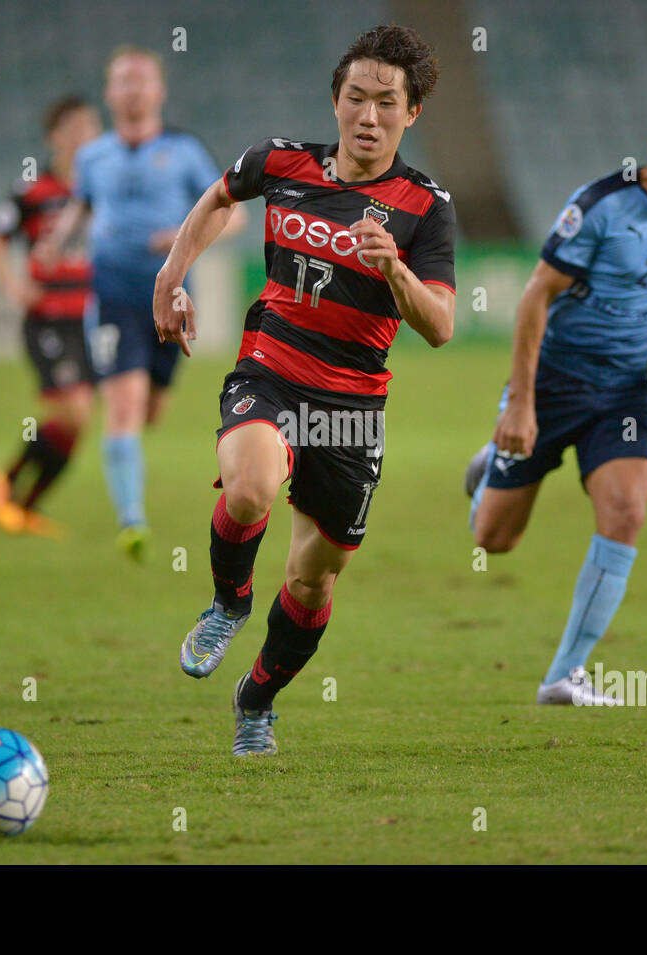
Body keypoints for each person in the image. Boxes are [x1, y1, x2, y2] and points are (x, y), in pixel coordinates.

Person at [154, 25, 457, 755]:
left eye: (387, 103)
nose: (368, 116)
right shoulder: (283, 161)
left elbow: (441, 324)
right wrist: (172, 273)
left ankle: (256, 697)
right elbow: (223, 196)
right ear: (335, 99)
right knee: (250, 486)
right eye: (356, 98)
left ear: (411, 113)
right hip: (271, 368)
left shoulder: (424, 207)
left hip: (352, 408)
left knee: (315, 579)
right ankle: (229, 602)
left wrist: (394, 270)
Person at [464, 95, 647, 706]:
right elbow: (536, 295)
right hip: (552, 383)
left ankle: (564, 675)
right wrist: (521, 403)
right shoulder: (601, 206)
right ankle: (488, 464)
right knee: (493, 540)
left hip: (623, 392)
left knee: (627, 512)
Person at [38, 46, 244, 559]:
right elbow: (81, 210)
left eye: (141, 80)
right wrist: (55, 245)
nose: (131, 90)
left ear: (159, 91)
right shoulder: (92, 157)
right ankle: (132, 520)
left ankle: (130, 480)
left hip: (171, 301)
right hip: (110, 297)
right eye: (122, 81)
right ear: (110, 94)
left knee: (151, 409)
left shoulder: (185, 151)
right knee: (123, 408)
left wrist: (182, 236)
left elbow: (232, 215)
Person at [0, 95, 101, 538]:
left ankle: (23, 503)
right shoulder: (32, 189)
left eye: (92, 128)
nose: (85, 137)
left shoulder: (100, 190)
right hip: (48, 319)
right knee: (73, 410)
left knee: (79, 420)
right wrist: (14, 286)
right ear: (55, 137)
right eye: (75, 128)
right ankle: (10, 481)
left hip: (88, 321)